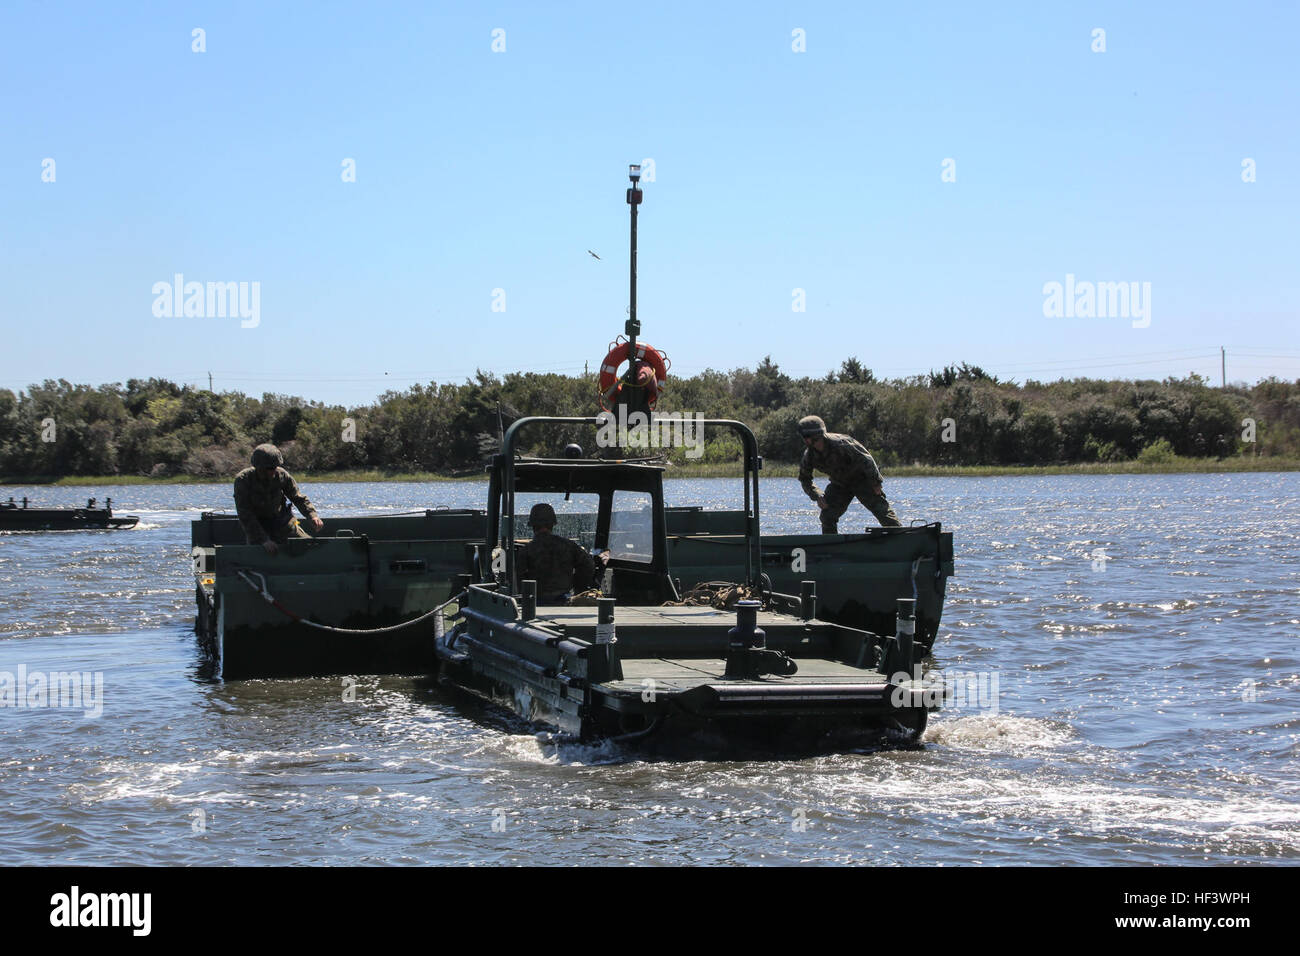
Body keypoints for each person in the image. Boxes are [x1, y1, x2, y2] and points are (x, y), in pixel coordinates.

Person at [796, 415, 902, 532]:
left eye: (809, 437)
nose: (806, 441)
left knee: (883, 513)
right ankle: (831, 541)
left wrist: (875, 483)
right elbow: (804, 479)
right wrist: (817, 496)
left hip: (863, 480)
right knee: (827, 516)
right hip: (839, 484)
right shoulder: (809, 456)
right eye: (804, 438)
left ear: (818, 435)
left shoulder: (840, 443)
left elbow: (866, 459)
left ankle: (901, 536)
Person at [232, 443, 323, 555]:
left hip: (282, 521)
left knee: (309, 546)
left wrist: (312, 515)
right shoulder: (243, 480)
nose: (273, 471)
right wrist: (263, 540)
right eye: (269, 468)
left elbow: (298, 498)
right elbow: (245, 513)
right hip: (257, 525)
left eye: (275, 467)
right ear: (259, 467)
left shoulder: (281, 475)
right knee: (259, 554)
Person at [519, 503, 595, 603]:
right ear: (552, 525)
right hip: (564, 601)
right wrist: (577, 586)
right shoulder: (569, 546)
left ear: (533, 526)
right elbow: (588, 565)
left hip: (534, 603)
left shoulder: (526, 551)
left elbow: (518, 579)